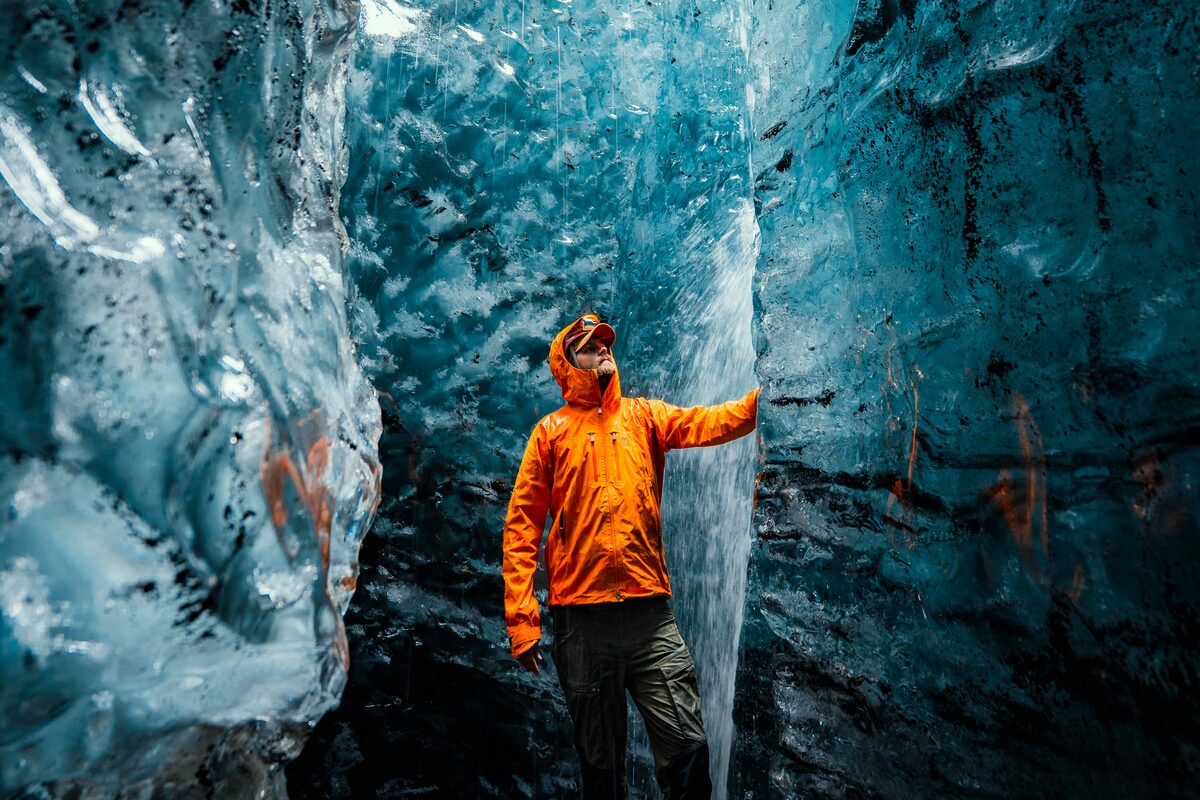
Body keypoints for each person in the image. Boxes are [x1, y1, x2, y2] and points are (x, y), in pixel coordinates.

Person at [502, 313, 759, 800]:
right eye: (589, 345)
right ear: (567, 362)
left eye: (605, 342)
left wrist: (763, 404)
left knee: (688, 752)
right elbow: (522, 528)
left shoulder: (644, 417)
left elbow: (707, 422)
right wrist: (522, 620)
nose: (603, 348)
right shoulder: (550, 433)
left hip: (649, 620)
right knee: (602, 774)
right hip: (581, 625)